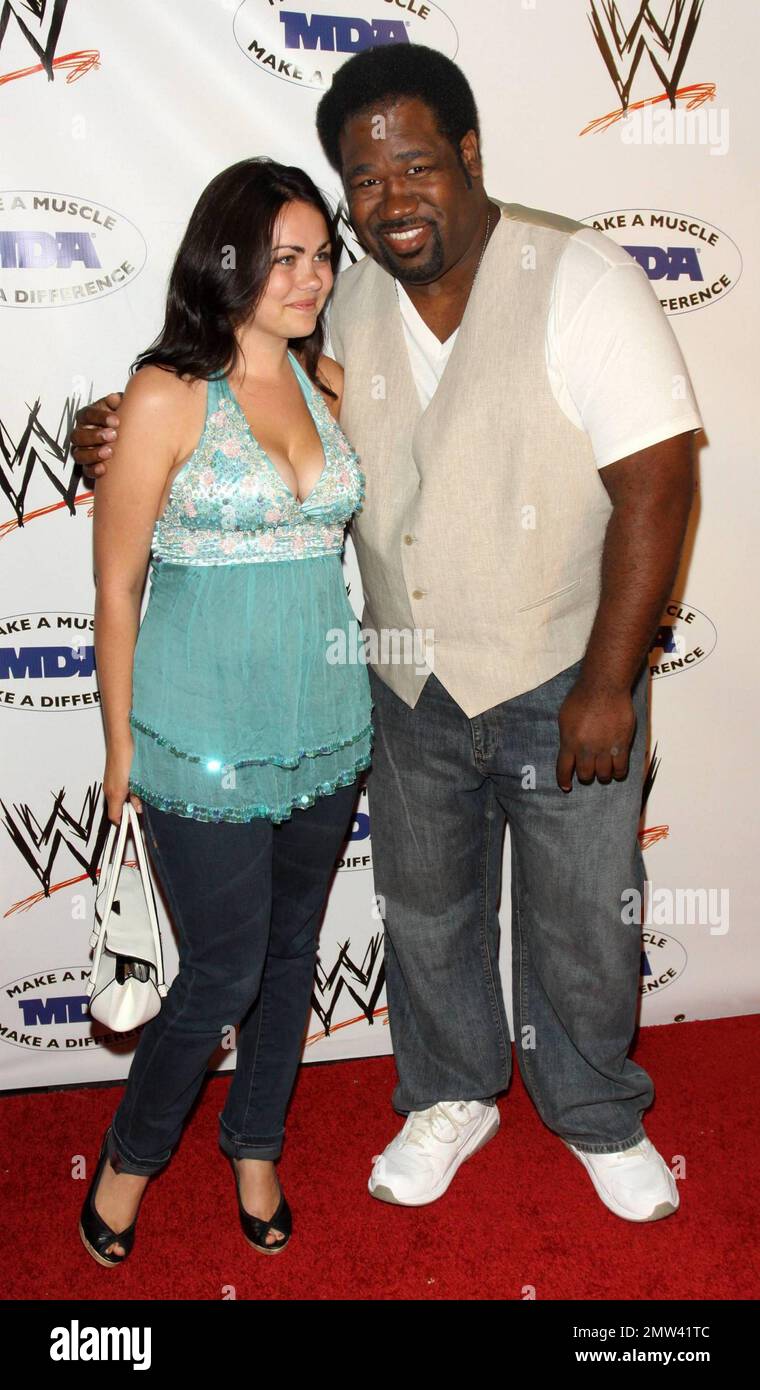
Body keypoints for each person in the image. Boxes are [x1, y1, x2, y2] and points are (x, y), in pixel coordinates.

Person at [73, 45, 701, 1224]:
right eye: (365, 181)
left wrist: (612, 679)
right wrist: (118, 421)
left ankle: (596, 1111)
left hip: (563, 668)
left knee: (578, 914)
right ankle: (452, 1092)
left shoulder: (577, 274)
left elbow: (658, 481)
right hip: (401, 681)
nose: (391, 201)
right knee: (425, 909)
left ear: (469, 156)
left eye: (415, 166)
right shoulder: (341, 296)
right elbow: (236, 394)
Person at [80, 157, 372, 1265]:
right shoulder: (162, 393)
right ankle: (129, 1157)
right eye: (282, 256)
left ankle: (256, 1142)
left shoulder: (329, 384)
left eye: (319, 255)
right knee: (217, 977)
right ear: (228, 258)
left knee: (291, 952)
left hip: (330, 729)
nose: (308, 277)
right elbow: (116, 587)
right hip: (197, 743)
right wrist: (118, 745)